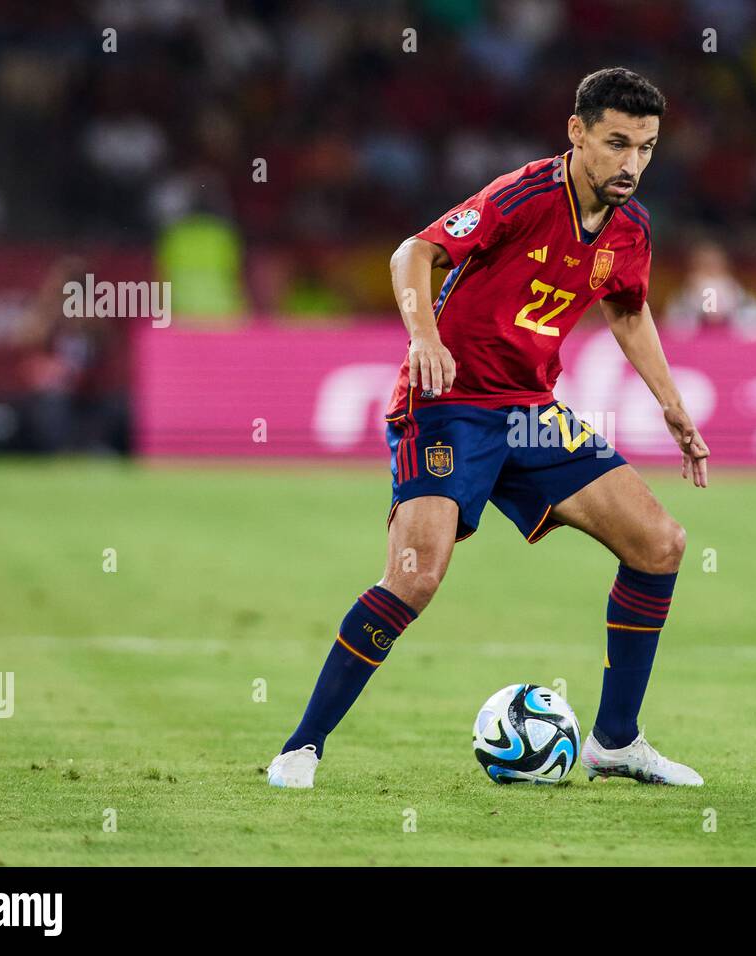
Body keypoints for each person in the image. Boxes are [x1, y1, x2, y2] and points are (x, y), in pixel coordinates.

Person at [268, 67, 710, 789]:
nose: (632, 164)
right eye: (618, 143)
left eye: (647, 148)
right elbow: (413, 252)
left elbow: (626, 309)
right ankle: (302, 745)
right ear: (578, 133)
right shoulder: (524, 195)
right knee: (416, 577)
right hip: (449, 404)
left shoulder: (631, 227)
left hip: (531, 413)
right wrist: (423, 338)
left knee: (660, 543)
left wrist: (671, 402)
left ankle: (616, 741)